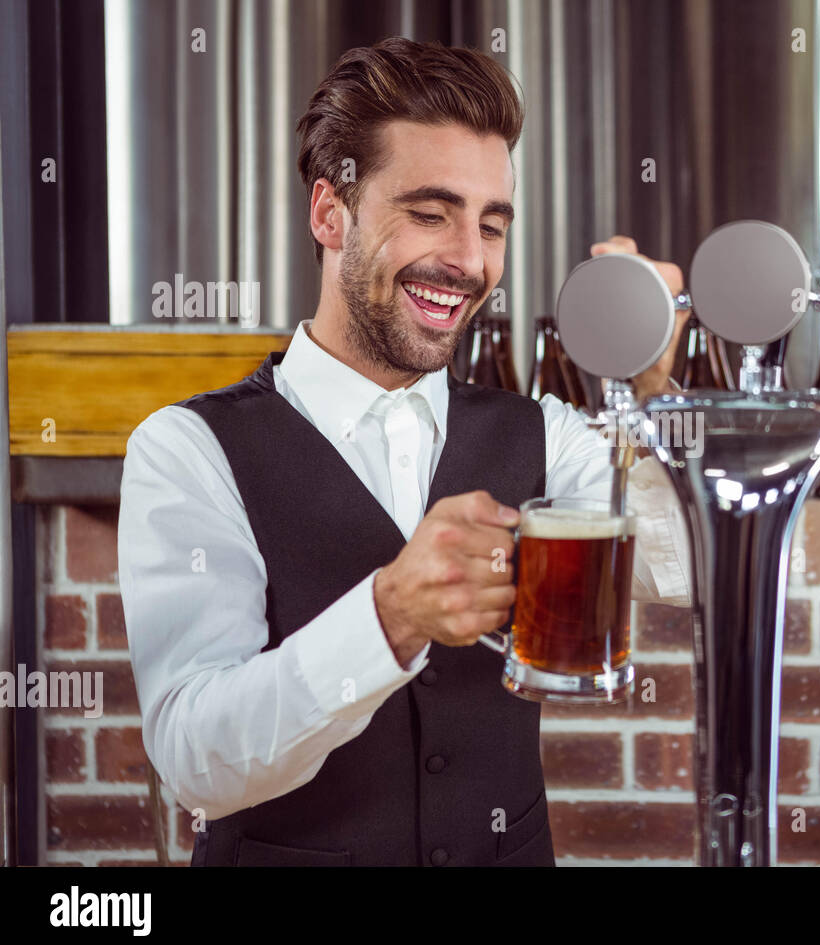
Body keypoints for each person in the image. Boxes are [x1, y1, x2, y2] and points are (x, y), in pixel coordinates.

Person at [119, 37, 691, 867]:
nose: (467, 260)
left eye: (491, 225)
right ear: (330, 212)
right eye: (429, 213)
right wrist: (387, 618)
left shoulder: (545, 434)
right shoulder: (189, 450)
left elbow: (689, 569)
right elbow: (194, 759)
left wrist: (653, 389)